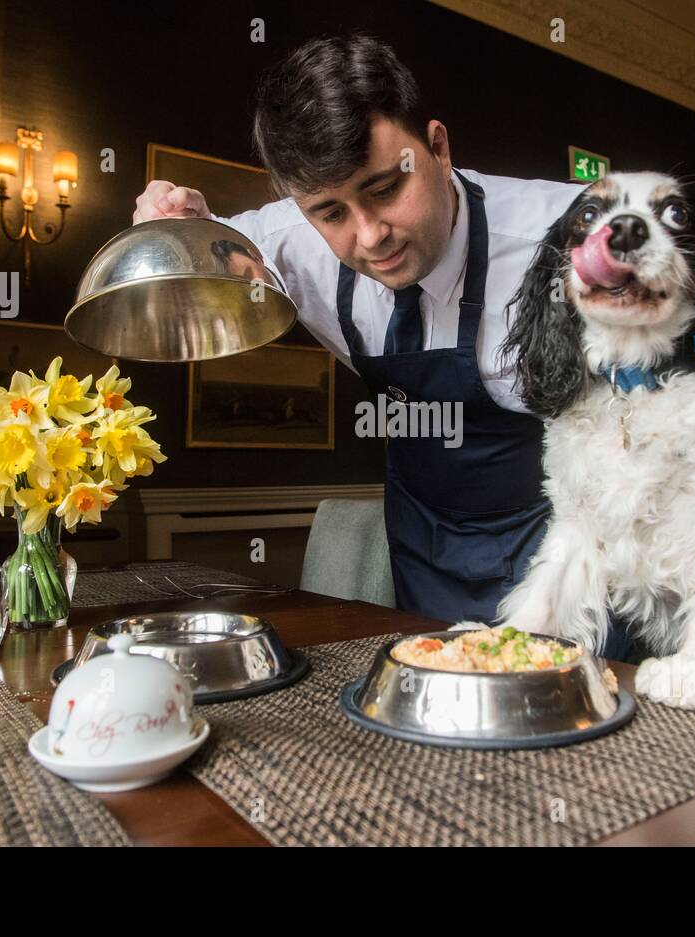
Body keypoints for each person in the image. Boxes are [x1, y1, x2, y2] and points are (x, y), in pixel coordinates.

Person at [132, 33, 632, 658]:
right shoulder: (284, 241)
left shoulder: (566, 239)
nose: (370, 237)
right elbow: (199, 247)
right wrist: (176, 226)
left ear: (439, 148)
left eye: (384, 189)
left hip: (570, 539)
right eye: (330, 213)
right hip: (424, 541)